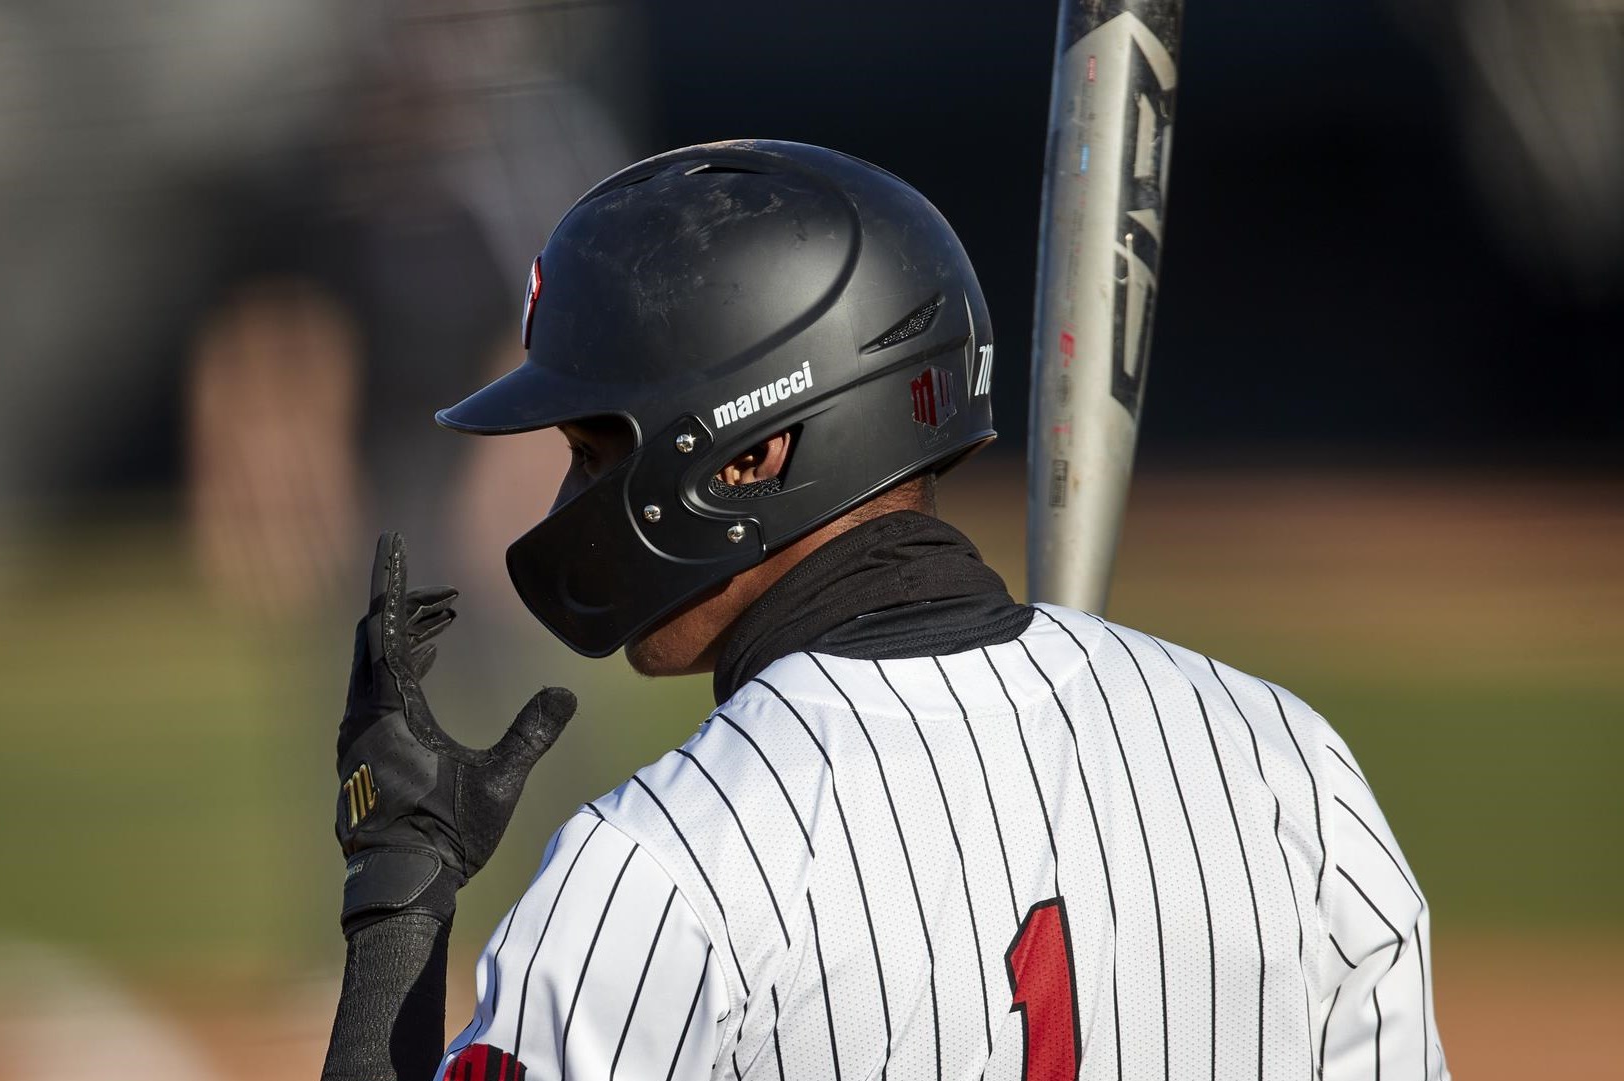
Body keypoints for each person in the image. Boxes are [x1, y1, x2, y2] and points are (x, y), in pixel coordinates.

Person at [322, 140, 1447, 1081]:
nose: (567, 501)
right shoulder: (1285, 766)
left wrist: (396, 900)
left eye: (591, 449)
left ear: (748, 454)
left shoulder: (663, 863)